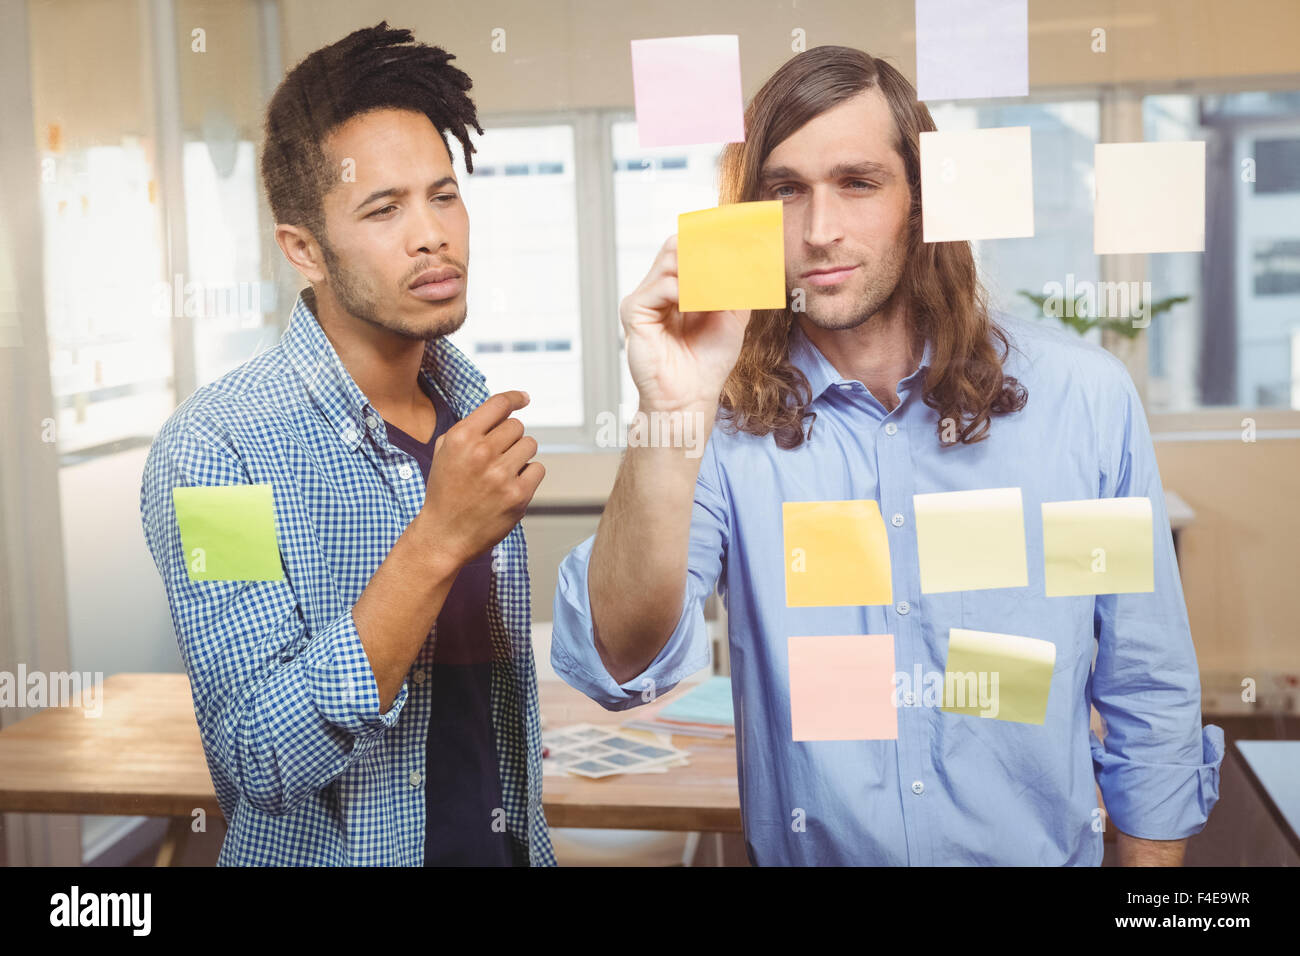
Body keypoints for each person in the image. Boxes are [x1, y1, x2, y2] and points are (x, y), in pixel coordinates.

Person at [550, 45, 1223, 866]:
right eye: (785, 190)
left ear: (921, 202)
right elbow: (618, 664)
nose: (819, 229)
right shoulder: (719, 429)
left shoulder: (1084, 402)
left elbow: (1147, 691)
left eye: (858, 183)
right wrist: (669, 412)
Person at [140, 22, 554, 866]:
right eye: (383, 207)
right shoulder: (214, 456)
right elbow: (259, 755)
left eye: (443, 195)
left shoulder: (471, 411)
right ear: (304, 249)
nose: (432, 234)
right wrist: (437, 539)